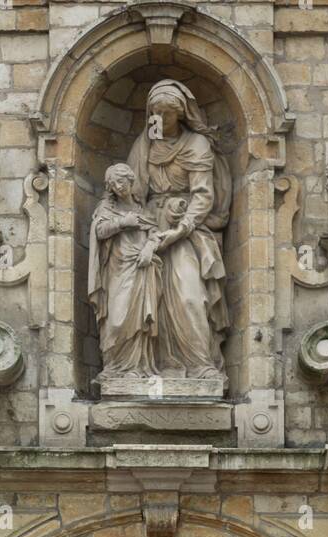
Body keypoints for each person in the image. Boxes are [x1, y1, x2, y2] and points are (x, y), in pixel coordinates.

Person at [125, 79, 231, 383]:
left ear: (180, 114)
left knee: (188, 294)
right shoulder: (143, 144)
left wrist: (180, 228)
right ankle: (151, 365)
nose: (157, 118)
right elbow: (132, 193)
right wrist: (141, 224)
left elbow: (203, 195)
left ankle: (199, 364)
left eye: (165, 113)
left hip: (187, 230)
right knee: (144, 297)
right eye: (153, 112)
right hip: (147, 229)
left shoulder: (196, 145)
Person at [87, 162, 163, 380]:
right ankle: (115, 368)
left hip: (142, 267)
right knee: (117, 317)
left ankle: (138, 367)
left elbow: (155, 232)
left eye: (121, 181)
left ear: (130, 181)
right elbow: (100, 231)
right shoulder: (107, 209)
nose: (118, 187)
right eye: (113, 184)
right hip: (117, 269)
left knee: (140, 319)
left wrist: (150, 247)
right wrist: (122, 222)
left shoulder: (143, 210)